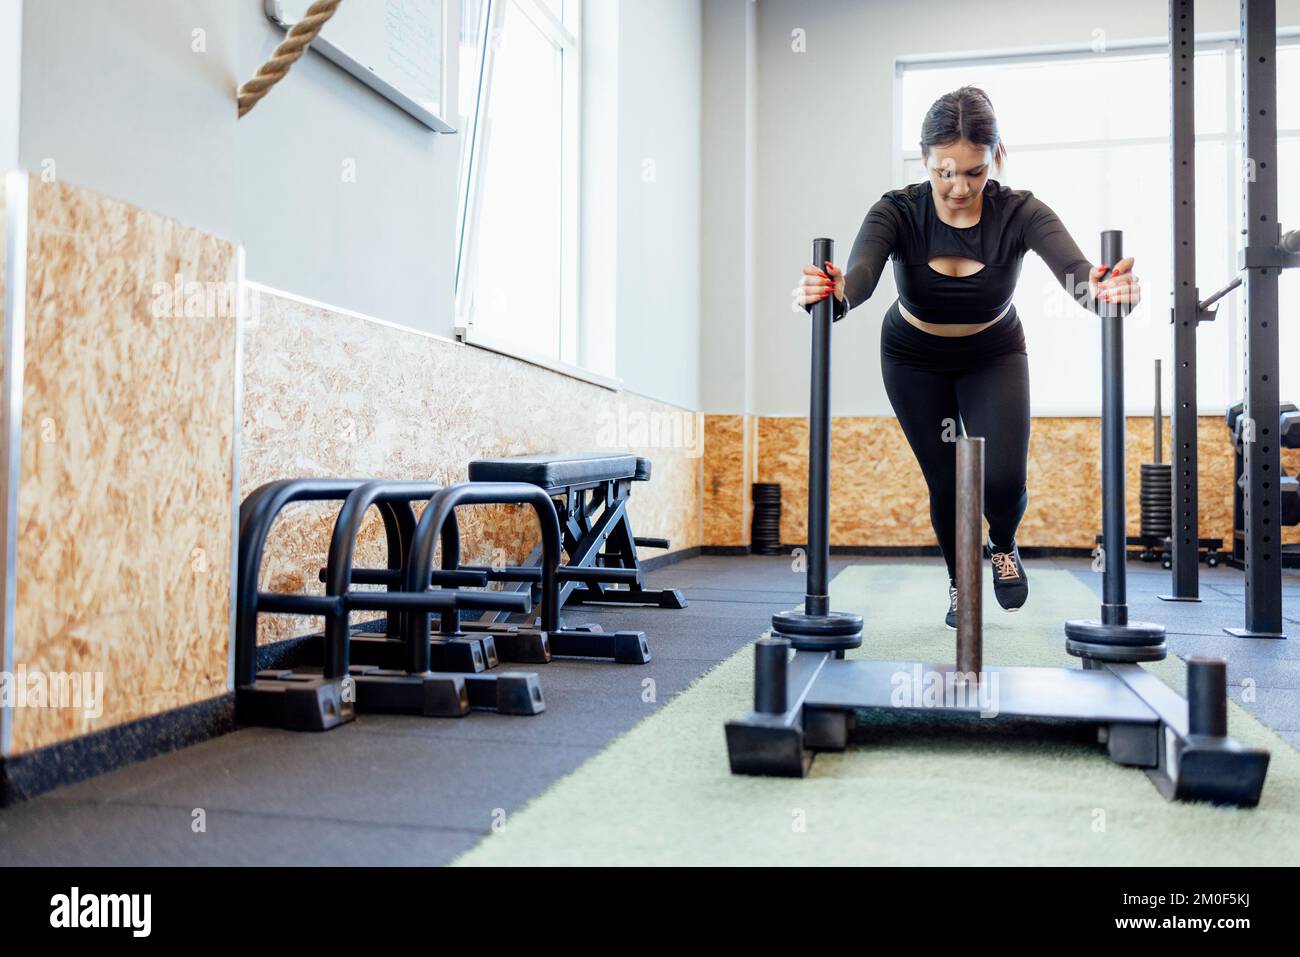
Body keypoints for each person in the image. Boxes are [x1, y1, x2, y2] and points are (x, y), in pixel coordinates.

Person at [795, 85, 1141, 629]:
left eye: (975, 173)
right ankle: (962, 582)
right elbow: (858, 278)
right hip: (912, 357)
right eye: (945, 172)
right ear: (926, 160)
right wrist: (833, 290)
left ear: (996, 157)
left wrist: (1106, 291)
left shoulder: (1021, 212)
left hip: (993, 353)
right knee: (947, 481)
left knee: (1001, 482)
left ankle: (1002, 542)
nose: (959, 188)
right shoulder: (898, 211)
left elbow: (1079, 279)